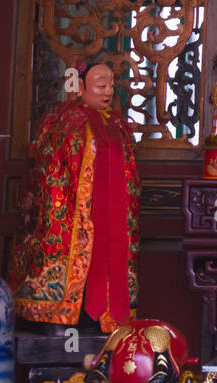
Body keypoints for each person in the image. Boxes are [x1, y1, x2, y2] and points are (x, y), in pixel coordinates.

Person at [9, 58, 139, 333]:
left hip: (109, 218)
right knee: (68, 258)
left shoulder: (119, 126)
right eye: (100, 85)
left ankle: (104, 316)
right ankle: (56, 315)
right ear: (80, 87)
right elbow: (46, 172)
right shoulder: (61, 122)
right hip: (71, 217)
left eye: (111, 86)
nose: (107, 92)